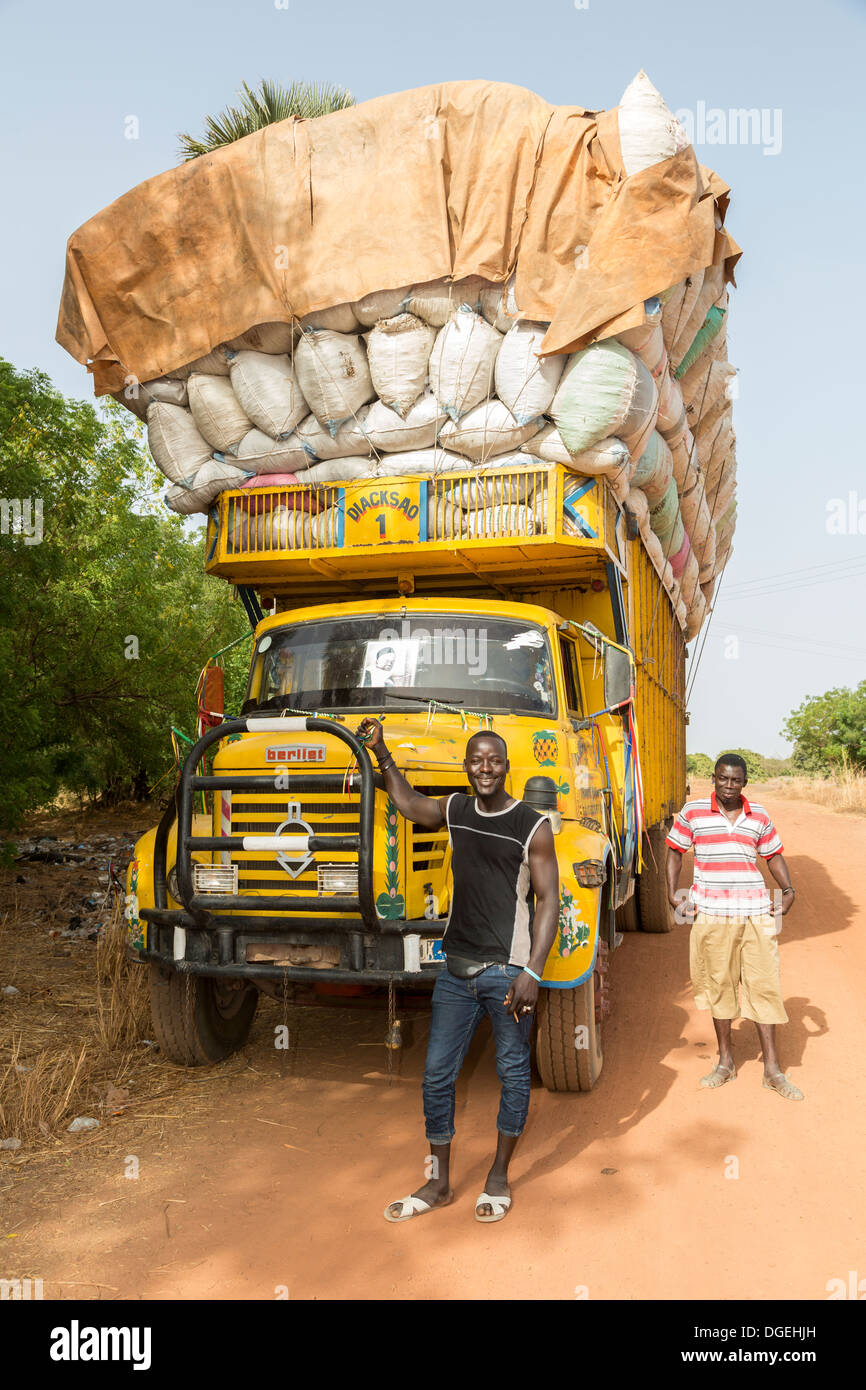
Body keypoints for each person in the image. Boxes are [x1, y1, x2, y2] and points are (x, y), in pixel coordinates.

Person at [354, 718, 559, 1223]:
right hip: (456, 969)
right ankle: (440, 1182)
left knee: (512, 1075)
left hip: (506, 972)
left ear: (505, 767)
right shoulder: (456, 808)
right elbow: (408, 803)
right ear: (466, 767)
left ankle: (498, 1176)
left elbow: (550, 899)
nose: (484, 768)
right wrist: (382, 755)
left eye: (493, 761)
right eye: (476, 761)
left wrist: (532, 970)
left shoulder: (531, 825)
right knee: (435, 1077)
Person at [665, 754, 803, 1100]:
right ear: (713, 778)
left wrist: (788, 889)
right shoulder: (693, 812)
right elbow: (674, 850)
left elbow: (773, 855)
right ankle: (725, 1062)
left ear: (744, 782)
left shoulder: (760, 815)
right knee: (719, 986)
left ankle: (772, 1069)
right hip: (711, 913)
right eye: (723, 779)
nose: (729, 786)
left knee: (764, 984)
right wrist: (670, 894)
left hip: (755, 912)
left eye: (736, 781)